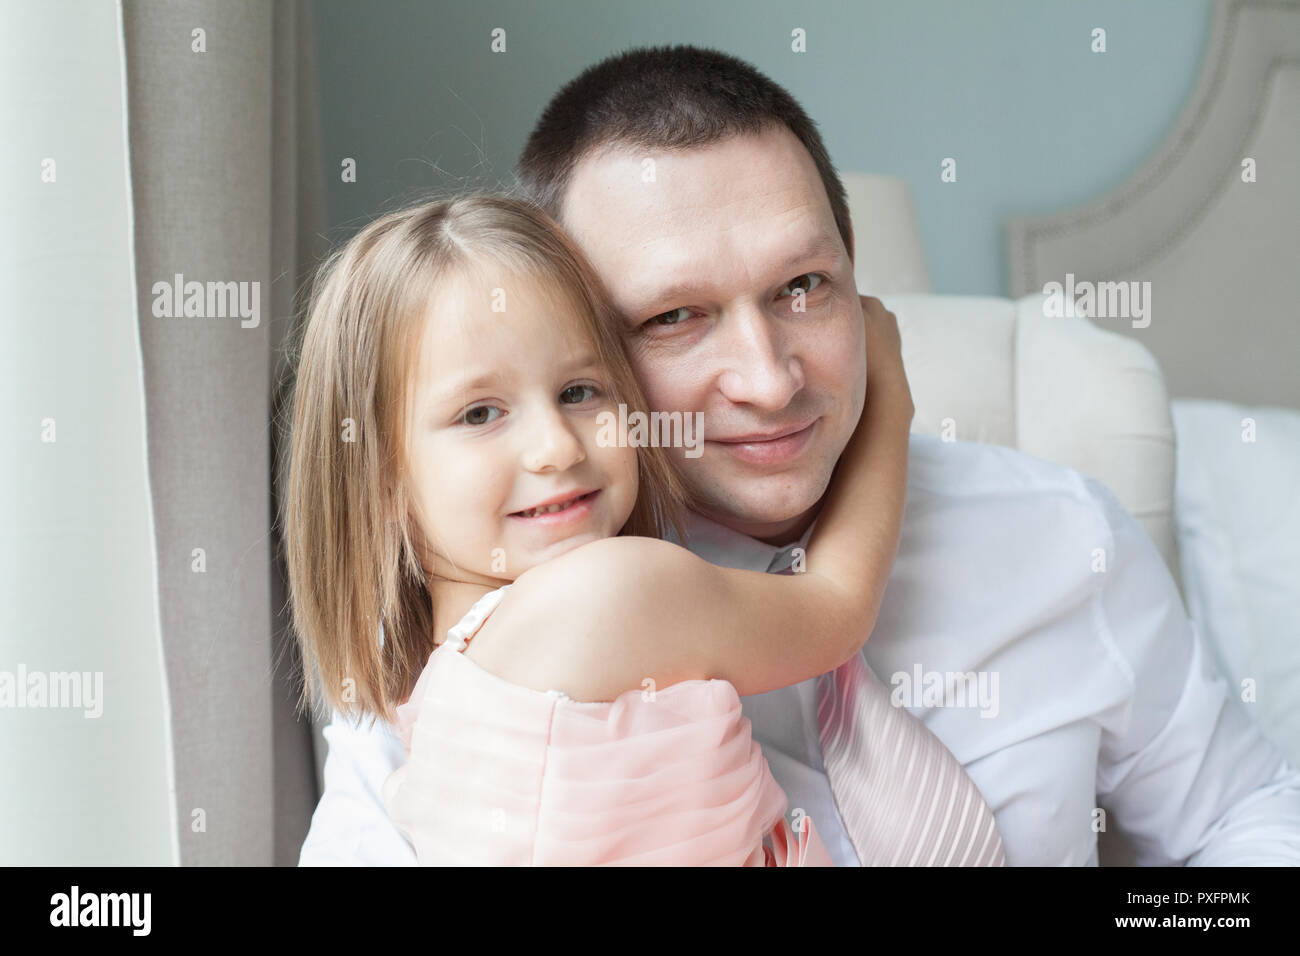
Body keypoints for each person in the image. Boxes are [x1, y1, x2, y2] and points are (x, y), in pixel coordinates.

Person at [300, 45, 1300, 866]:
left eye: (803, 287)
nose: (769, 378)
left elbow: (1237, 814)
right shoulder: (472, 642)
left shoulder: (1062, 535)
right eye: (674, 315)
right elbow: (828, 614)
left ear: (858, 274)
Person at [280, 192, 991, 865]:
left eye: (579, 392)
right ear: (379, 481)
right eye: (479, 414)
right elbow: (836, 608)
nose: (556, 446)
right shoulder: (608, 593)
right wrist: (889, 390)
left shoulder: (421, 701)